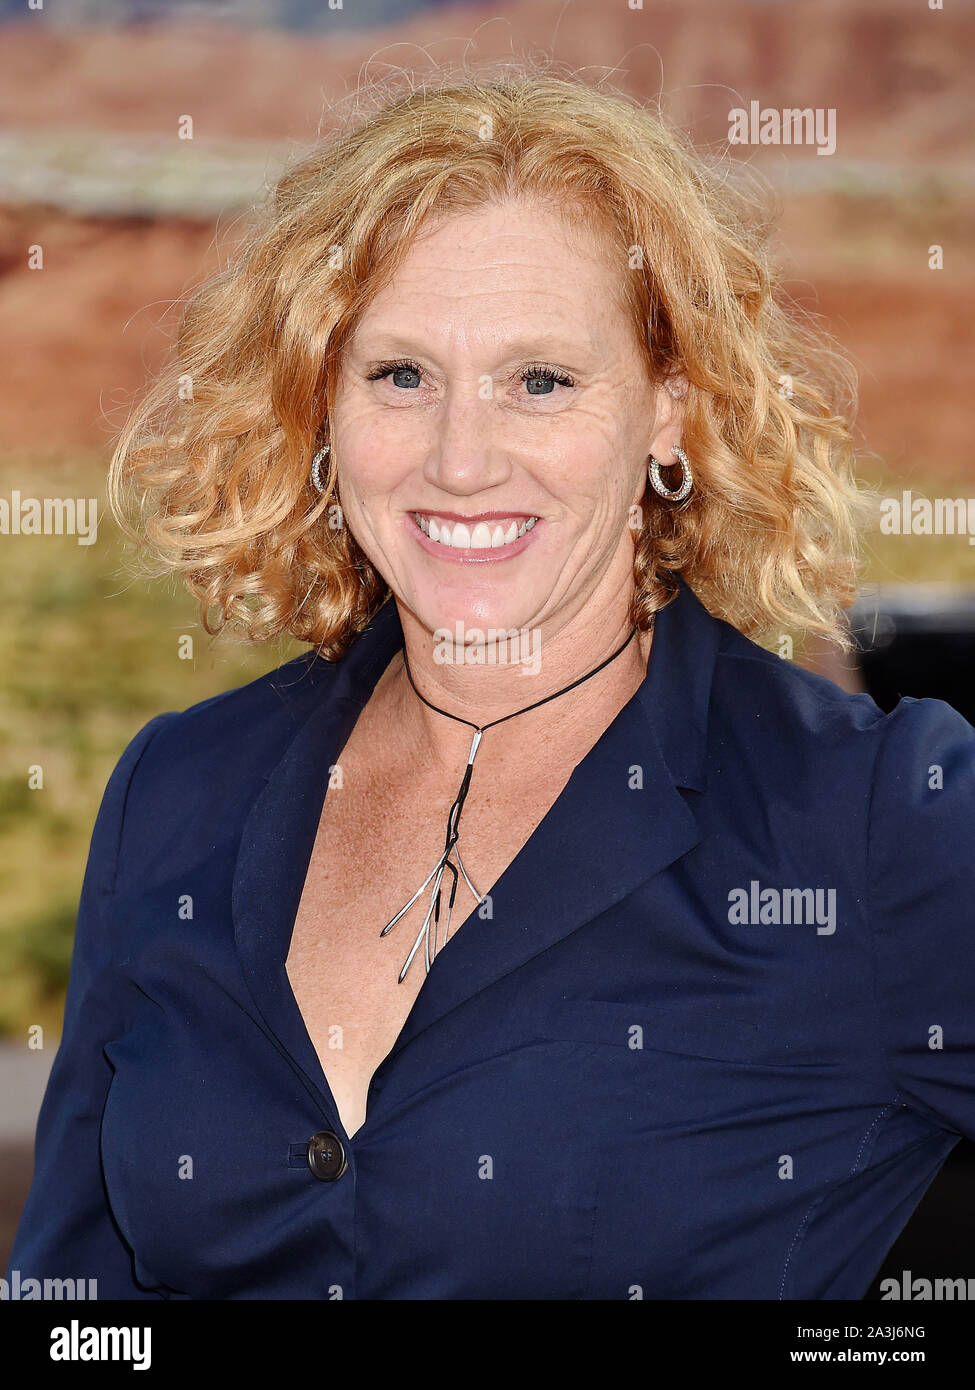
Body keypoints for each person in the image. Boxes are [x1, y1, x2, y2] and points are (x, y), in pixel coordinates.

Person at [8, 67, 975, 1301]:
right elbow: (74, 1305)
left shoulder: (875, 824)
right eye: (400, 375)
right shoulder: (178, 794)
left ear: (671, 412)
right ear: (320, 408)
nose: (461, 459)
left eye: (543, 380)